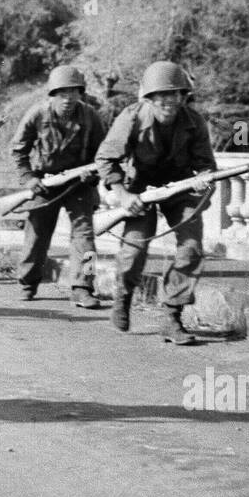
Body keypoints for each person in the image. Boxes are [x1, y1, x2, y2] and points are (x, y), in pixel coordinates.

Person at [94, 61, 215, 343]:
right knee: (133, 250)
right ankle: (123, 298)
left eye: (177, 95)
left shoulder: (194, 121)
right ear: (149, 97)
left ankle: (173, 316)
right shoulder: (132, 117)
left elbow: (207, 166)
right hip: (139, 190)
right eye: (162, 96)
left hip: (179, 189)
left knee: (191, 247)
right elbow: (105, 158)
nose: (170, 102)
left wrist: (203, 182)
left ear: (184, 97)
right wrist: (124, 195)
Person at [10, 65, 105, 307]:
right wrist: (30, 179)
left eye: (74, 92)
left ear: (81, 93)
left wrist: (92, 177)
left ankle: (84, 287)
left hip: (79, 185)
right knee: (36, 234)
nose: (68, 98)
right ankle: (27, 282)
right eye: (62, 93)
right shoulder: (37, 114)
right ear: (52, 94)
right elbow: (18, 150)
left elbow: (103, 155)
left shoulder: (90, 116)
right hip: (45, 182)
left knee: (86, 238)